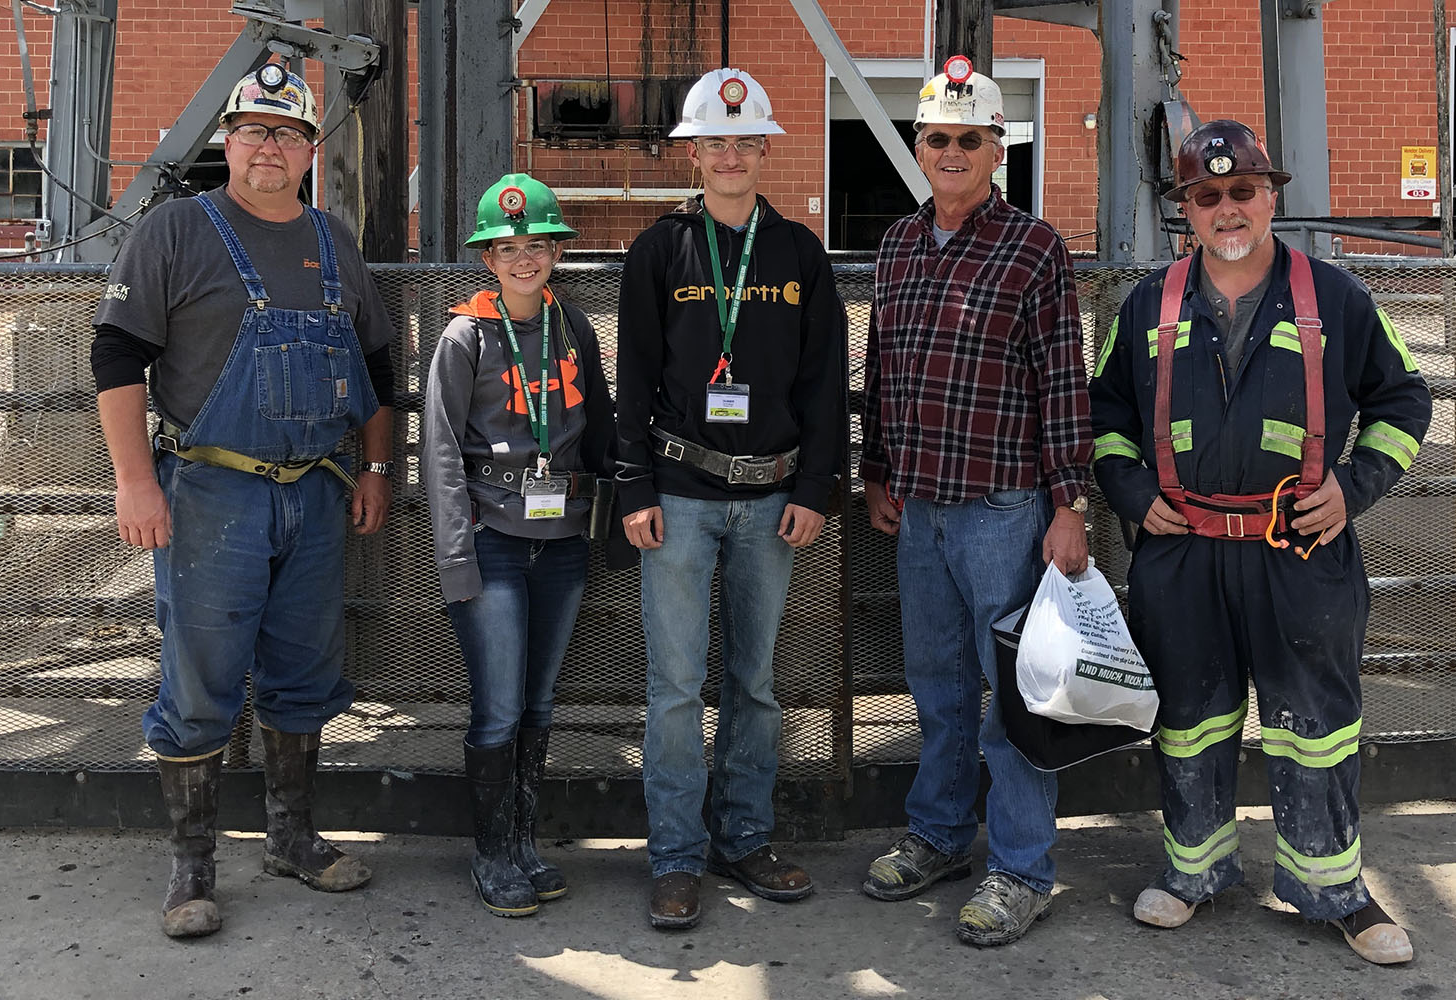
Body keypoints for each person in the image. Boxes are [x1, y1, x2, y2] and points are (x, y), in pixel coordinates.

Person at [1089, 119, 1431, 965]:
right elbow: (1103, 413)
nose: (1227, 209)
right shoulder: (1148, 305)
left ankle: (1333, 890)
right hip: (1184, 553)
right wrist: (1132, 492)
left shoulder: (1337, 298)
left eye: (1242, 191)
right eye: (1207, 196)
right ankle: (1193, 872)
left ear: (1270, 197)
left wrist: (1354, 487)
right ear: (1186, 211)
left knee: (1316, 725)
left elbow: (1405, 400)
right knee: (1189, 719)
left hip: (1300, 552)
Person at [91, 66, 395, 938]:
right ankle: (192, 865)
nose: (270, 147)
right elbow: (116, 356)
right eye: (254, 130)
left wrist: (377, 467)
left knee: (303, 671)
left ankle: (292, 838)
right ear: (228, 142)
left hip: (317, 494)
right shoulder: (176, 231)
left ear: (310, 151)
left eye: (288, 134)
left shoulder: (333, 239)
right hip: (210, 496)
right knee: (201, 678)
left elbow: (376, 365)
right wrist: (135, 481)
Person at [858, 55, 1092, 948]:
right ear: (918, 147)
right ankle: (941, 835)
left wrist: (1068, 504)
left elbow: (1062, 382)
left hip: (1004, 510)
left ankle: (1023, 869)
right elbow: (883, 369)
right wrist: (877, 469)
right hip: (918, 507)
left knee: (1018, 694)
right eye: (936, 138)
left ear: (999, 148)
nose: (950, 151)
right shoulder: (898, 244)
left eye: (968, 138)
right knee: (938, 687)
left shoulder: (1035, 248)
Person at [615, 67, 846, 930]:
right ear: (694, 153)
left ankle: (744, 839)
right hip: (678, 494)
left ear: (764, 152)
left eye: (747, 142)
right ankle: (676, 857)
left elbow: (825, 382)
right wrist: (634, 486)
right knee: (676, 686)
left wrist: (817, 487)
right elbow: (634, 376)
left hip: (772, 499)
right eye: (715, 142)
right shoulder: (659, 250)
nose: (731, 156)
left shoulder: (799, 254)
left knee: (754, 682)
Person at [422, 174, 617, 918]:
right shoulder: (464, 336)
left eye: (537, 244)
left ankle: (524, 843)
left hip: (563, 538)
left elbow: (599, 427)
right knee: (499, 706)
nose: (524, 258)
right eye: (508, 249)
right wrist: (455, 557)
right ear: (488, 259)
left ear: (556, 252)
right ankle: (491, 853)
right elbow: (440, 450)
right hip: (493, 538)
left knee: (538, 701)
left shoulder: (574, 327)